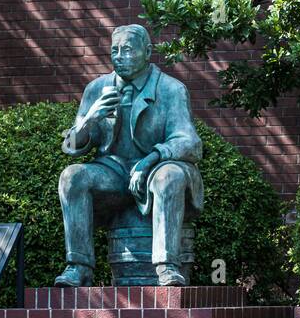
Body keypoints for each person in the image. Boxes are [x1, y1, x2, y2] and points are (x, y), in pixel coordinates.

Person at [55, 24, 203, 287]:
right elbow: (72, 146)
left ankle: (167, 267)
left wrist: (151, 160)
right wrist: (90, 118)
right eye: (115, 51)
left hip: (157, 168)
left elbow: (189, 142)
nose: (119, 57)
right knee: (72, 177)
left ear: (147, 52)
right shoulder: (96, 89)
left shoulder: (171, 89)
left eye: (127, 50)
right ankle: (78, 266)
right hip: (112, 172)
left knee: (170, 177)